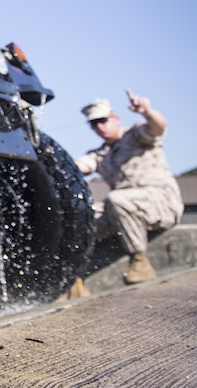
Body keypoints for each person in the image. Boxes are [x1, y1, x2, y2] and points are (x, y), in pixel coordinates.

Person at [75, 90, 183, 284]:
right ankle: (75, 279)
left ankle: (140, 262)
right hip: (124, 208)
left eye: (103, 120)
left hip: (161, 202)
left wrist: (147, 112)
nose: (99, 126)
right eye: (94, 123)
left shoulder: (136, 135)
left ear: (115, 117)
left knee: (117, 199)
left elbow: (157, 127)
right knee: (79, 219)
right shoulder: (100, 154)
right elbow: (78, 166)